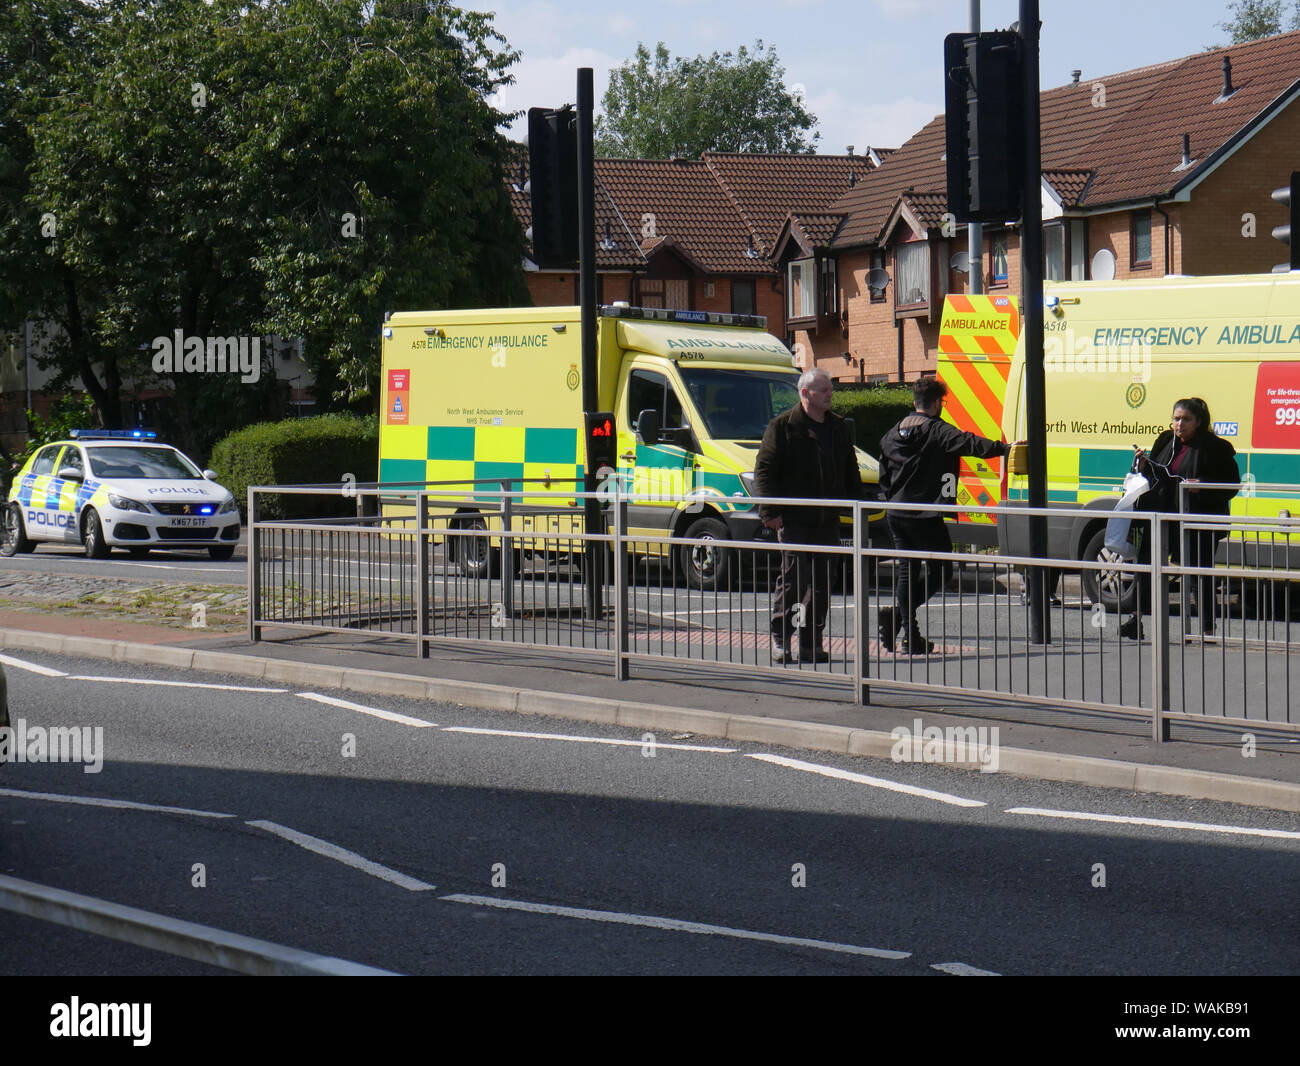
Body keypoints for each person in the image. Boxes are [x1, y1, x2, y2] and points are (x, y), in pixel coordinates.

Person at [877, 376, 1012, 655]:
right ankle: (904, 625)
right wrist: (1005, 449)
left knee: (907, 570)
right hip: (925, 515)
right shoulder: (937, 431)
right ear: (938, 403)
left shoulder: (891, 433)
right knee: (941, 570)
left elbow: (884, 478)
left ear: (915, 402)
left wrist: (890, 500)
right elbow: (971, 444)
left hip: (897, 514)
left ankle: (907, 632)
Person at [755, 367, 865, 664]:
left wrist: (858, 505)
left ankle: (811, 642)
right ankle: (780, 639)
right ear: (805, 393)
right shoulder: (782, 427)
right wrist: (770, 511)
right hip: (793, 519)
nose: (830, 395)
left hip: (826, 518)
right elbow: (764, 470)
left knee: (821, 582)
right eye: (824, 390)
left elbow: (850, 469)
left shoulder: (839, 427)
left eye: (830, 389)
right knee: (793, 578)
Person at [1119, 397, 1239, 640]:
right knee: (1147, 567)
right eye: (1176, 418)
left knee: (1198, 573)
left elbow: (1232, 485)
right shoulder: (1166, 441)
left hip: (1197, 520)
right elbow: (1157, 475)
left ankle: (1206, 629)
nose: (1179, 424)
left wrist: (1203, 485)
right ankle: (1136, 618)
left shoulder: (1215, 448)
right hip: (1163, 516)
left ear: (1199, 422)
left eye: (1186, 419)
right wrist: (1144, 464)